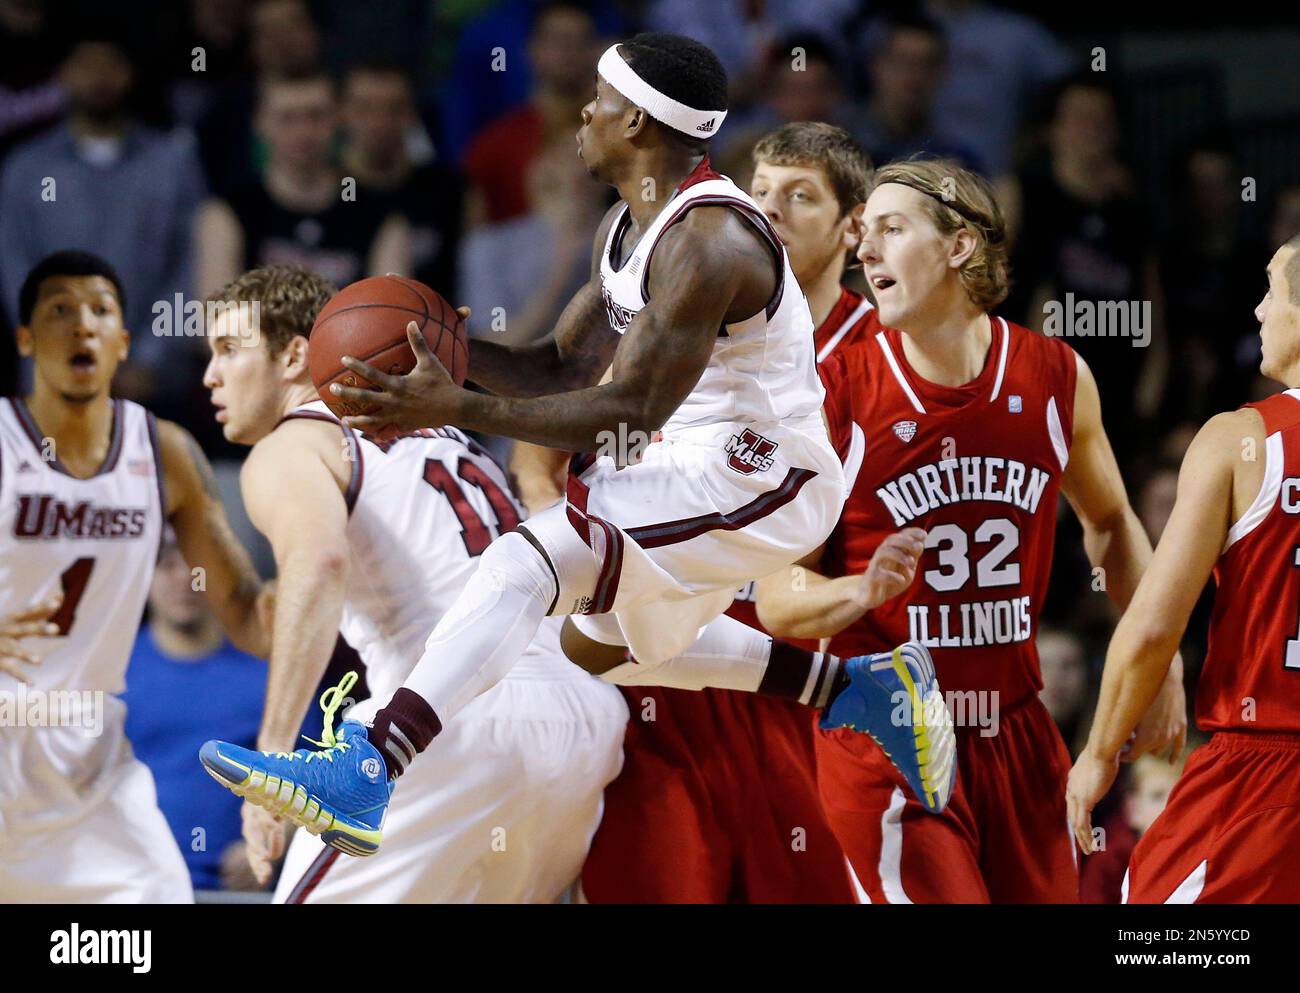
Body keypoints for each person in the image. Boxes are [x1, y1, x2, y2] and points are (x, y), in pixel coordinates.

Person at [200, 33, 955, 857]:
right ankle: (858, 689)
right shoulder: (627, 225)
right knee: (583, 643)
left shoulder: (709, 242)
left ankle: (372, 765)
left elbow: (620, 406)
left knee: (530, 559)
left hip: (765, 470)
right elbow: (557, 366)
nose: (582, 116)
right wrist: (436, 338)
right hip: (686, 458)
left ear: (637, 123)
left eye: (599, 101)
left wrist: (447, 402)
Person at [755, 159, 1185, 903]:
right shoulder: (833, 391)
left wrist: (1161, 659)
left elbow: (1111, 522)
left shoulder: (1054, 373)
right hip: (888, 733)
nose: (868, 250)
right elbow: (776, 597)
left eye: (893, 229)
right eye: (867, 233)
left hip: (1018, 730)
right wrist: (861, 589)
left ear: (958, 246)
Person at [200, 265, 626, 901]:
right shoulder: (448, 432)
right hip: (581, 719)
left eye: (229, 350)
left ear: (294, 356)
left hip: (442, 725)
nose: (210, 374)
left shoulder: (293, 444)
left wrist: (275, 757)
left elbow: (316, 566)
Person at [579, 122, 878, 903]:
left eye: (800, 196)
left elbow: (788, 581)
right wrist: (583, 552)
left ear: (853, 225)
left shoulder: (867, 357)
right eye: (762, 190)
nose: (769, 209)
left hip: (779, 682)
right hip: (659, 674)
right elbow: (549, 455)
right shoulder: (682, 290)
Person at [0, 250, 270, 902]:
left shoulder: (167, 452)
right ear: (27, 338)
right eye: (59, 311)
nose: (82, 326)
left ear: (123, 338)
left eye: (99, 311)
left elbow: (240, 605)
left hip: (98, 762)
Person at [1067, 235, 1300, 903]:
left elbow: (1153, 624)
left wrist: (1101, 749)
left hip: (1266, 768)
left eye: (1274, 292)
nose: (1258, 311)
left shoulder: (1241, 439)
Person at [121, 529, 268, 893]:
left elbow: (319, 783)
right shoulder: (111, 675)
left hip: (237, 890)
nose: (185, 578)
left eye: (198, 567)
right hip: (131, 886)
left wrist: (270, 843)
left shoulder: (268, 677)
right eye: (168, 564)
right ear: (144, 574)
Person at [194, 70, 410, 296]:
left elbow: (392, 316)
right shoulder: (226, 213)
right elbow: (217, 320)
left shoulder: (381, 215)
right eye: (287, 118)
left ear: (338, 119)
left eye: (315, 116)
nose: (303, 132)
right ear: (260, 122)